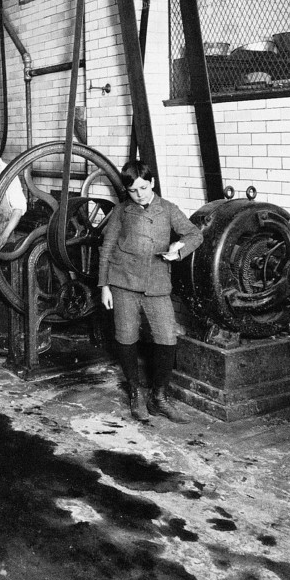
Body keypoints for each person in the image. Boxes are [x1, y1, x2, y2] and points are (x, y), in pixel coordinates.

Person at [99, 160, 203, 424]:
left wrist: (178, 251)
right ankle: (134, 392)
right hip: (123, 282)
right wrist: (104, 286)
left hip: (156, 283)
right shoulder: (122, 212)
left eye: (144, 188)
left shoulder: (168, 209)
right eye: (133, 190)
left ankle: (159, 397)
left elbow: (195, 234)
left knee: (167, 338)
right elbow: (107, 248)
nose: (140, 194)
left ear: (152, 183)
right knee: (126, 336)